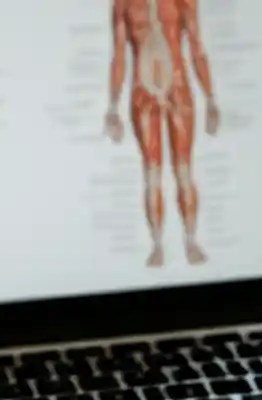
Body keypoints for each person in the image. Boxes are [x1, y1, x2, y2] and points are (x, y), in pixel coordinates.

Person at [106, 0, 220, 269]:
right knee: (152, 173)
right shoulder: (123, 3)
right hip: (142, 93)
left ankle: (190, 240)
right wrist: (112, 106)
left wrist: (210, 99)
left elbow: (196, 47)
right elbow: (119, 54)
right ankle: (157, 243)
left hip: (178, 88)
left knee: (183, 170)